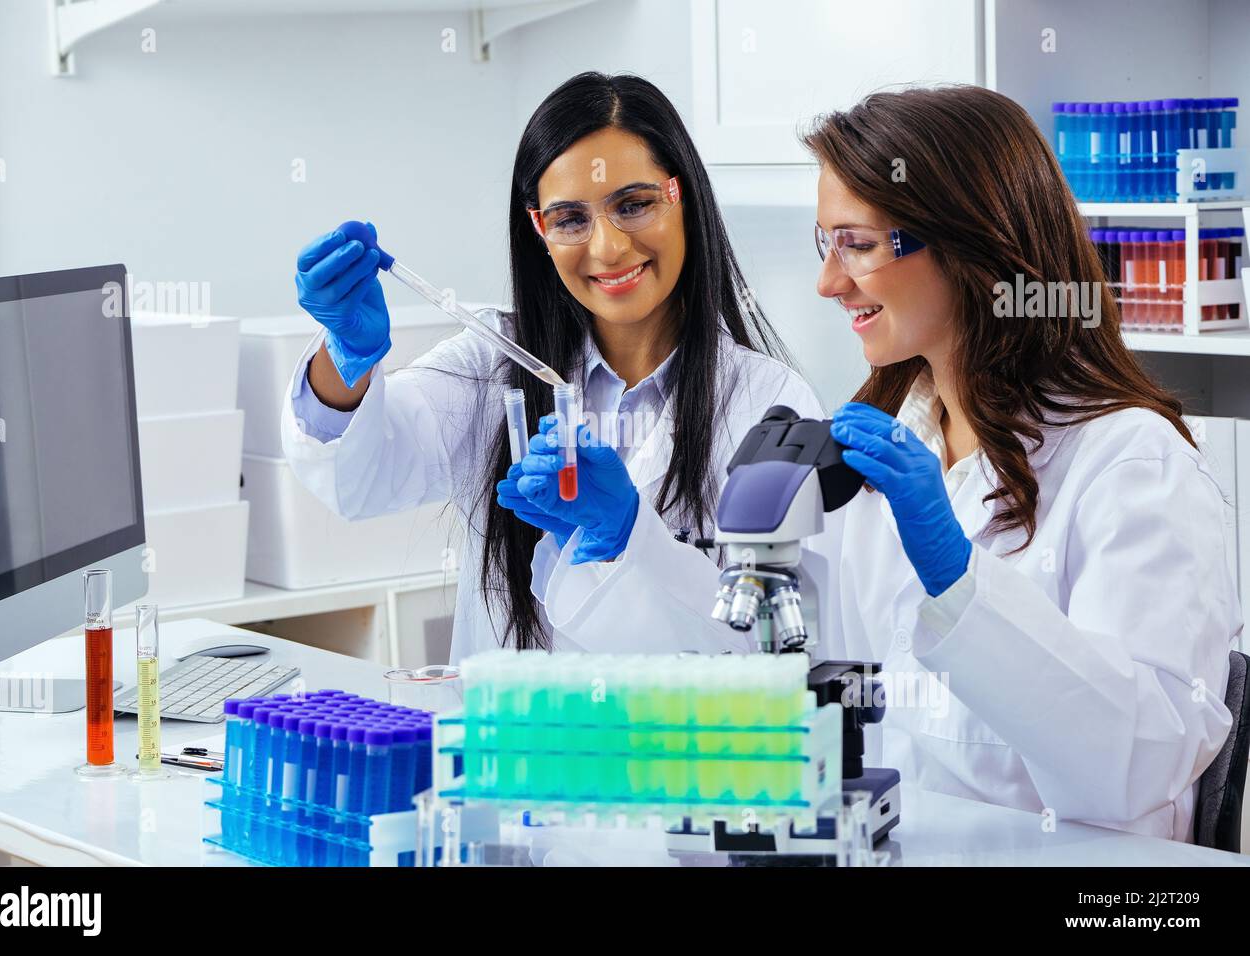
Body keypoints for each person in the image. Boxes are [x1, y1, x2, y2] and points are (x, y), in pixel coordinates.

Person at [519, 85, 1240, 841]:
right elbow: (774, 672)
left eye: (857, 244)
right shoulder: (886, 450)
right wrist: (630, 537)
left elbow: (1140, 766)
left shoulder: (1130, 464)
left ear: (971, 245)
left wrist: (961, 582)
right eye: (824, 244)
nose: (830, 282)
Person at [282, 71, 821, 664]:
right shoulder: (491, 366)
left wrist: (631, 536)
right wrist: (346, 354)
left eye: (635, 205)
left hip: (679, 755)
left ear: (682, 195)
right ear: (539, 228)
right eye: (570, 219)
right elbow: (360, 479)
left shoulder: (771, 405)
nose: (609, 247)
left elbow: (782, 644)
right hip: (516, 749)